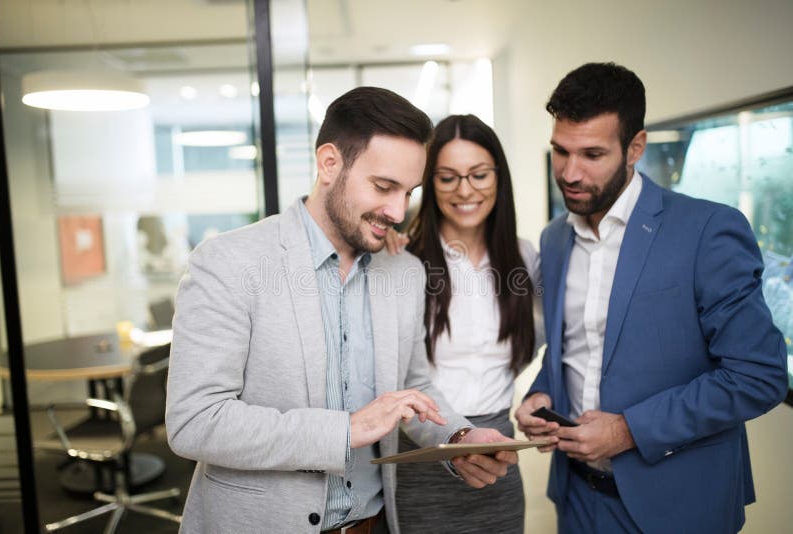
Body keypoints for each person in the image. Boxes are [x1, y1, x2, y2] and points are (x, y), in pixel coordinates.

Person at [165, 86, 518, 534]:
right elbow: (195, 421)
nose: (397, 211)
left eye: (408, 192)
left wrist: (457, 436)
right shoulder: (229, 262)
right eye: (383, 187)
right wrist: (346, 430)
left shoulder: (405, 272)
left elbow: (413, 386)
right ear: (329, 163)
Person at [514, 62, 789, 534]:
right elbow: (573, 347)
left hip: (679, 505)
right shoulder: (555, 238)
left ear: (635, 148)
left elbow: (759, 375)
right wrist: (542, 392)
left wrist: (627, 430)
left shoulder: (708, 231)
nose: (570, 173)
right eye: (561, 151)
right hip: (576, 499)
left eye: (592, 154)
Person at [385, 114, 542, 533]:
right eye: (448, 177)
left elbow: (558, 338)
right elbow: (394, 376)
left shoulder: (524, 259)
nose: (465, 190)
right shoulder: (402, 262)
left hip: (499, 458)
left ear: (498, 177)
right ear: (429, 183)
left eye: (479, 175)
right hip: (423, 457)